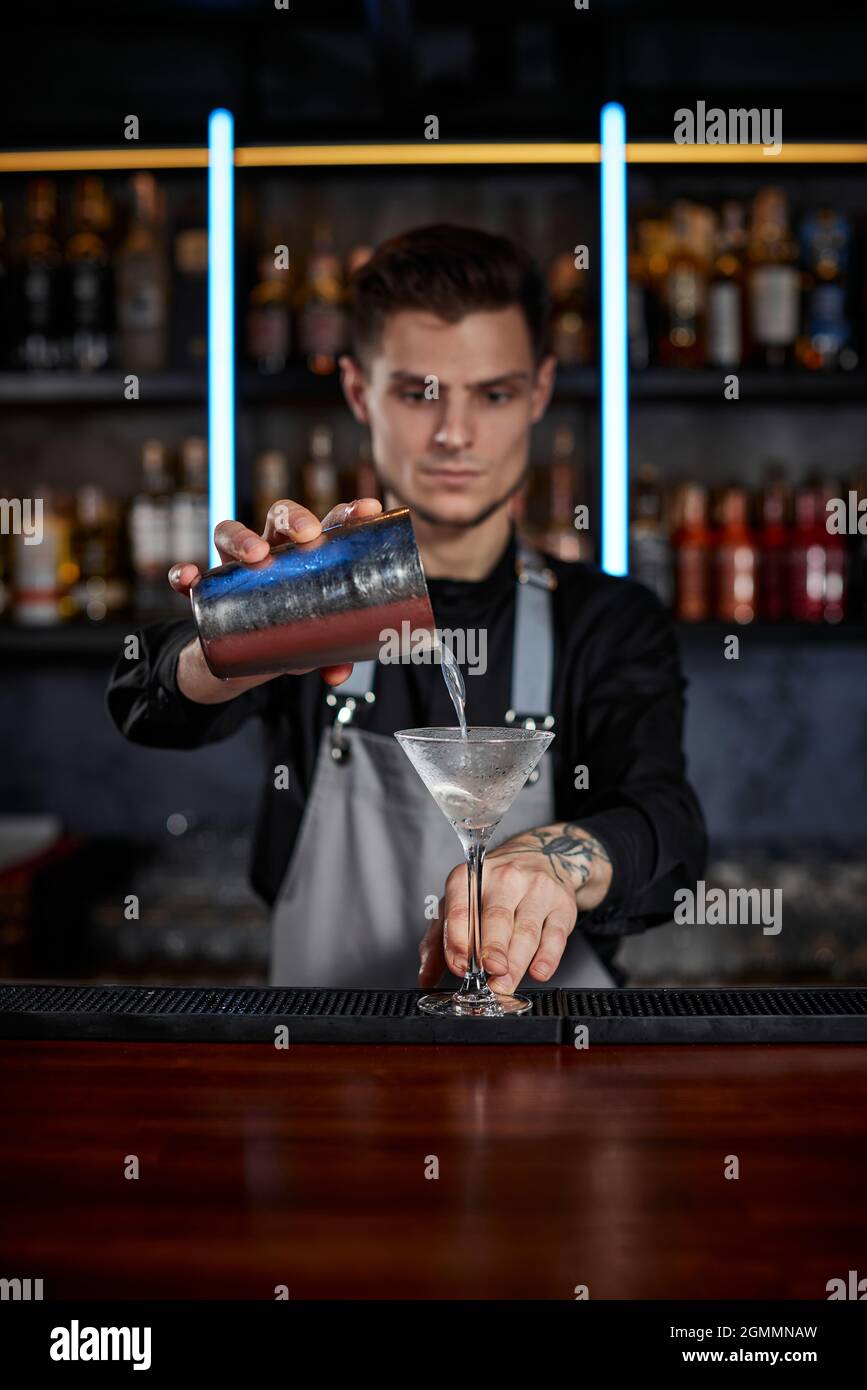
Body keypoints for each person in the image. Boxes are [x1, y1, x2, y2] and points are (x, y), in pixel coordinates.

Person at [106, 223, 706, 994]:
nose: (455, 433)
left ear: (539, 393)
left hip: (544, 1084)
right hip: (324, 1076)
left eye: (493, 393)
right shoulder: (308, 600)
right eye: (419, 393)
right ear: (359, 392)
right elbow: (140, 700)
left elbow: (670, 822)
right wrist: (236, 628)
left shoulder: (606, 620)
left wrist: (546, 860)